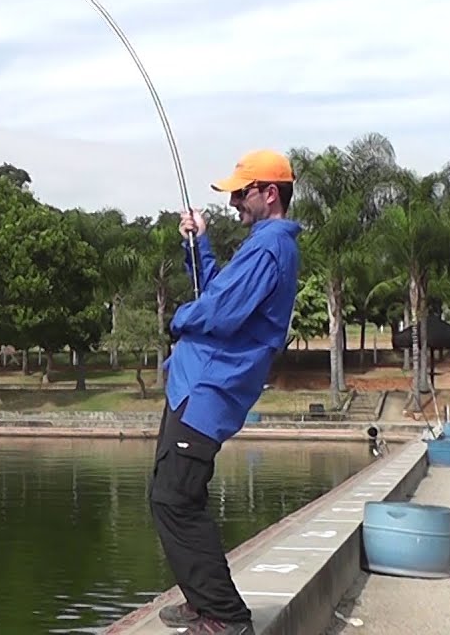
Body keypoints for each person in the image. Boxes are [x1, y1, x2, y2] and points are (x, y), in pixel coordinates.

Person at [149, 149, 302, 635]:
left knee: (175, 498)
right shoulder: (261, 244)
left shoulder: (270, 246)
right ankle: (203, 601)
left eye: (242, 191)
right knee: (168, 494)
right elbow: (217, 292)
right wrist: (200, 246)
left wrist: (178, 320)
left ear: (269, 193)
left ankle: (226, 616)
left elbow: (220, 315)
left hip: (208, 389)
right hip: (193, 385)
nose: (235, 200)